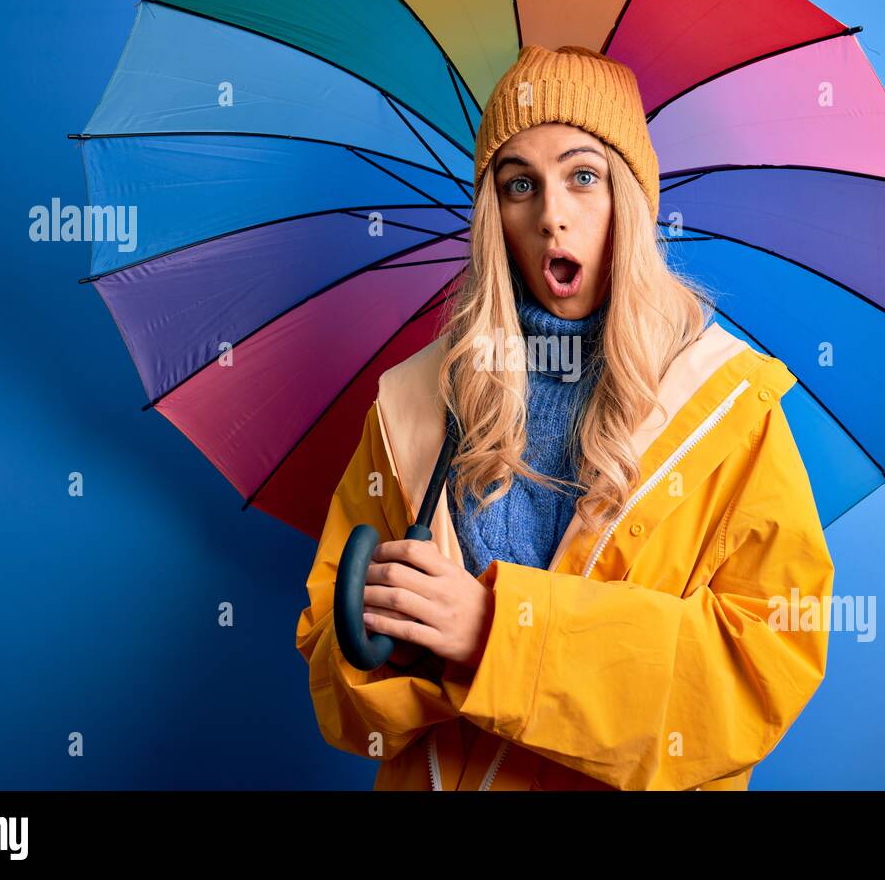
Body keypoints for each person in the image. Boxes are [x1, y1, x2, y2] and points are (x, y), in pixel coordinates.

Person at [295, 44, 835, 791]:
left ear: (628, 200)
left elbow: (761, 670)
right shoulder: (414, 406)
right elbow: (336, 681)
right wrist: (388, 638)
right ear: (495, 216)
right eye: (520, 185)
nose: (552, 216)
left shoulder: (727, 409)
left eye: (583, 176)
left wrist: (495, 633)